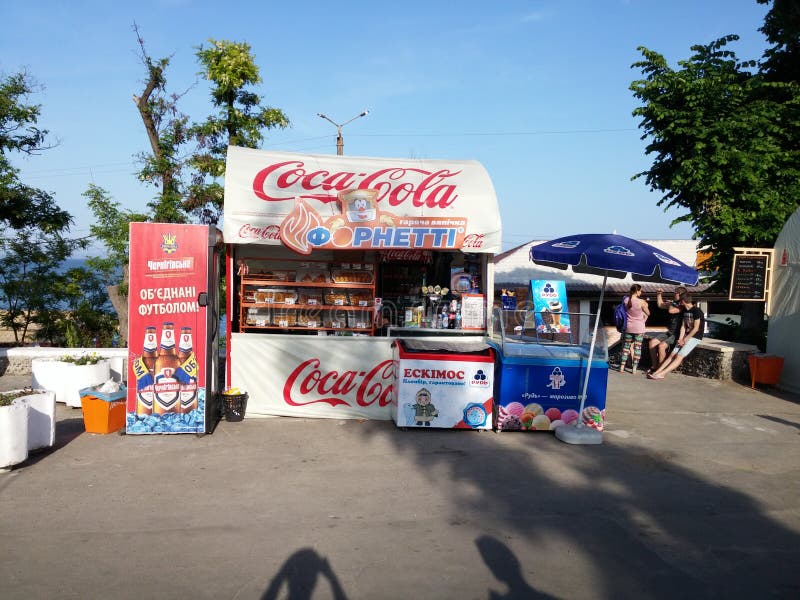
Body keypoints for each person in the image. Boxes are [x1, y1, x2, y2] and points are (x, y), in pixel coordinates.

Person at [647, 293, 705, 380]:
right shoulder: (685, 311)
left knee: (679, 356)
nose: (678, 303)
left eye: (680, 301)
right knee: (672, 355)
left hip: (695, 337)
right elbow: (683, 326)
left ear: (683, 301)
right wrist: (680, 339)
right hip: (685, 336)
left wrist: (684, 340)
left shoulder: (697, 311)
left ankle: (662, 374)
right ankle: (657, 372)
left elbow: (696, 328)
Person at [647, 286, 687, 374]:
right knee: (652, 343)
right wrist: (659, 294)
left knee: (661, 346)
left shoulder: (683, 305)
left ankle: (660, 369)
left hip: (676, 333)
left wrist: (671, 303)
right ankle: (655, 366)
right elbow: (660, 305)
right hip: (669, 331)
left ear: (680, 294)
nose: (673, 294)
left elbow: (671, 311)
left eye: (675, 293)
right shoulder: (674, 303)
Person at [617, 284, 649, 373]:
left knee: (626, 347)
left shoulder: (626, 300)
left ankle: (622, 367)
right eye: (640, 291)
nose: (641, 292)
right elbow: (648, 313)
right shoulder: (641, 302)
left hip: (628, 327)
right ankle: (634, 369)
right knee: (637, 348)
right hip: (639, 328)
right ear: (637, 291)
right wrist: (646, 306)